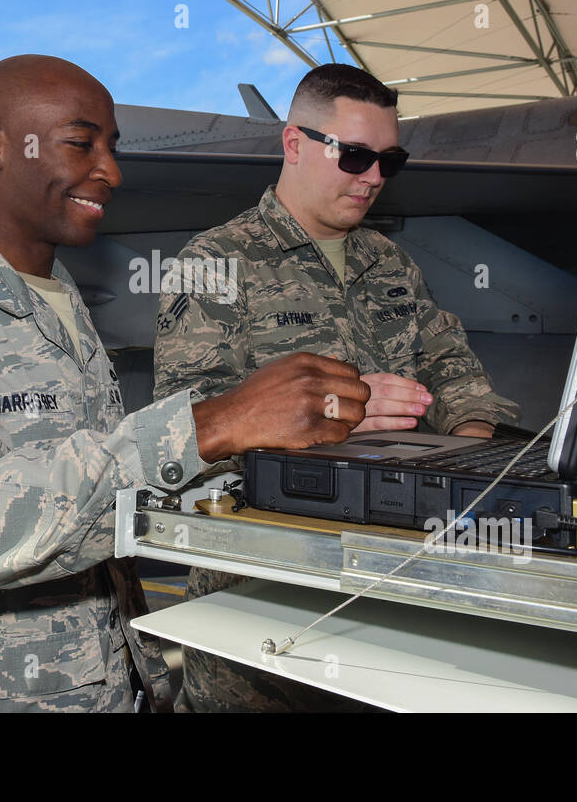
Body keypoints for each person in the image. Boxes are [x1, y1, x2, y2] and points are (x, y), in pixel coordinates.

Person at [0, 54, 371, 712]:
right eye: (81, 143)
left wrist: (300, 444)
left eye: (113, 147)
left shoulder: (63, 308)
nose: (112, 172)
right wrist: (214, 423)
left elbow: (106, 504)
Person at [154, 63, 521, 712]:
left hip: (393, 596)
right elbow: (184, 445)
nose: (374, 178)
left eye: (389, 160)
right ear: (294, 144)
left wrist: (465, 462)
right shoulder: (214, 264)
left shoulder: (391, 263)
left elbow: (458, 373)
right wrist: (340, 415)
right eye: (354, 156)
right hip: (260, 616)